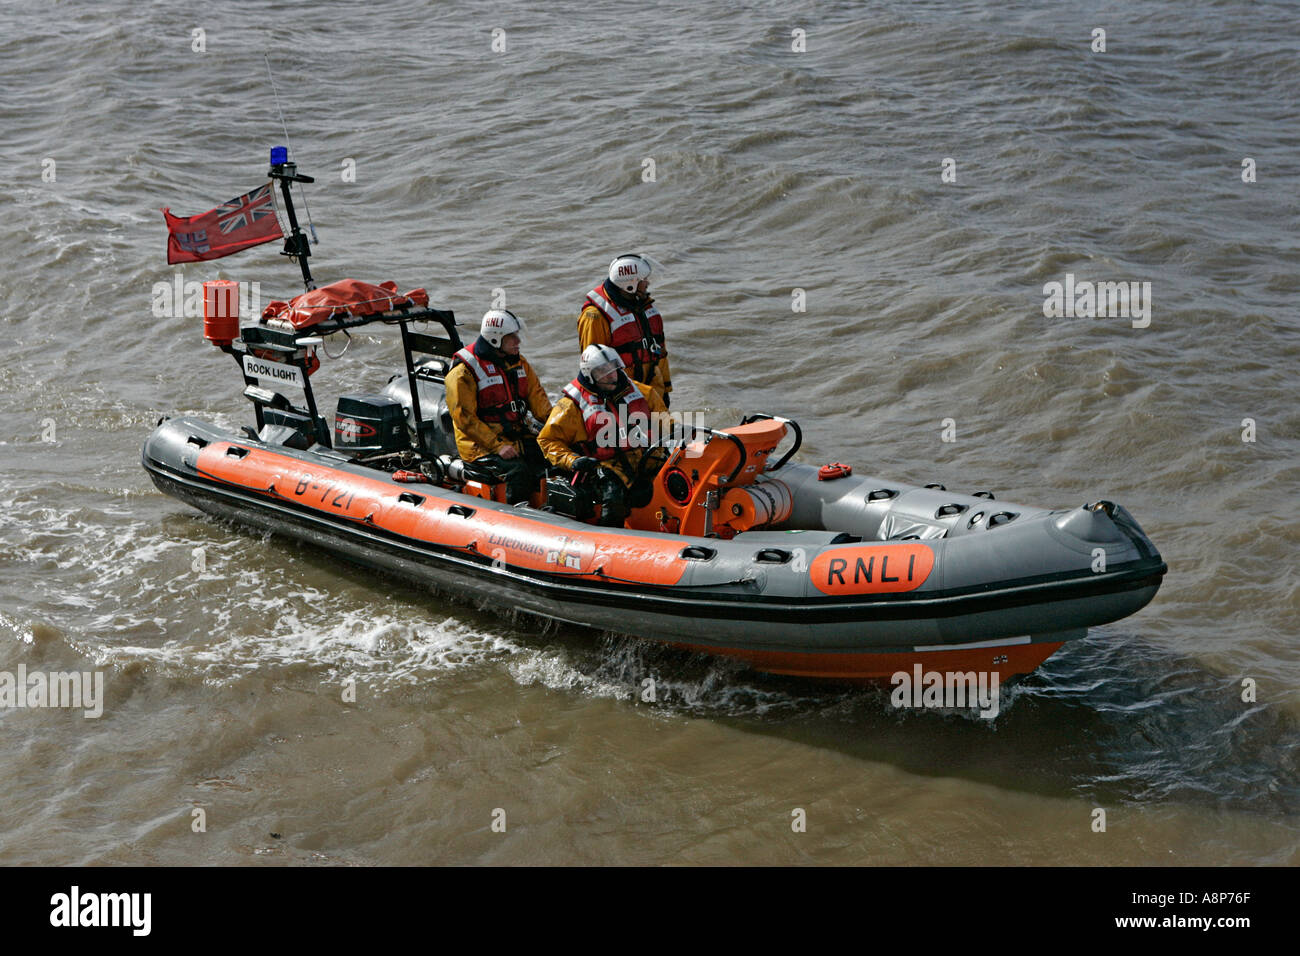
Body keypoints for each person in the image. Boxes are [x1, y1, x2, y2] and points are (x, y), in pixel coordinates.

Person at [539, 344, 671, 527]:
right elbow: (547, 440)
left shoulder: (643, 393)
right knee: (613, 494)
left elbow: (668, 425)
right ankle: (609, 537)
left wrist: (682, 438)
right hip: (602, 465)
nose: (611, 375)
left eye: (613, 368)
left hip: (643, 457)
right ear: (590, 375)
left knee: (676, 475)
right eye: (603, 371)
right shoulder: (571, 406)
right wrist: (572, 460)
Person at [445, 309, 552, 503]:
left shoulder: (519, 363)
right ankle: (517, 516)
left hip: (514, 435)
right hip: (480, 445)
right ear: (496, 339)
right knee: (518, 472)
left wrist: (559, 428)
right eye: (512, 337)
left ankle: (549, 508)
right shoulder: (463, 372)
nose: (518, 341)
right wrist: (497, 446)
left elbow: (539, 402)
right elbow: (465, 419)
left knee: (550, 459)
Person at [577, 253, 672, 407]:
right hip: (623, 399)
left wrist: (666, 389)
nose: (647, 283)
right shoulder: (595, 316)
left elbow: (660, 351)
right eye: (643, 280)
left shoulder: (645, 307)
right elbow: (593, 366)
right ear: (630, 284)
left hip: (654, 393)